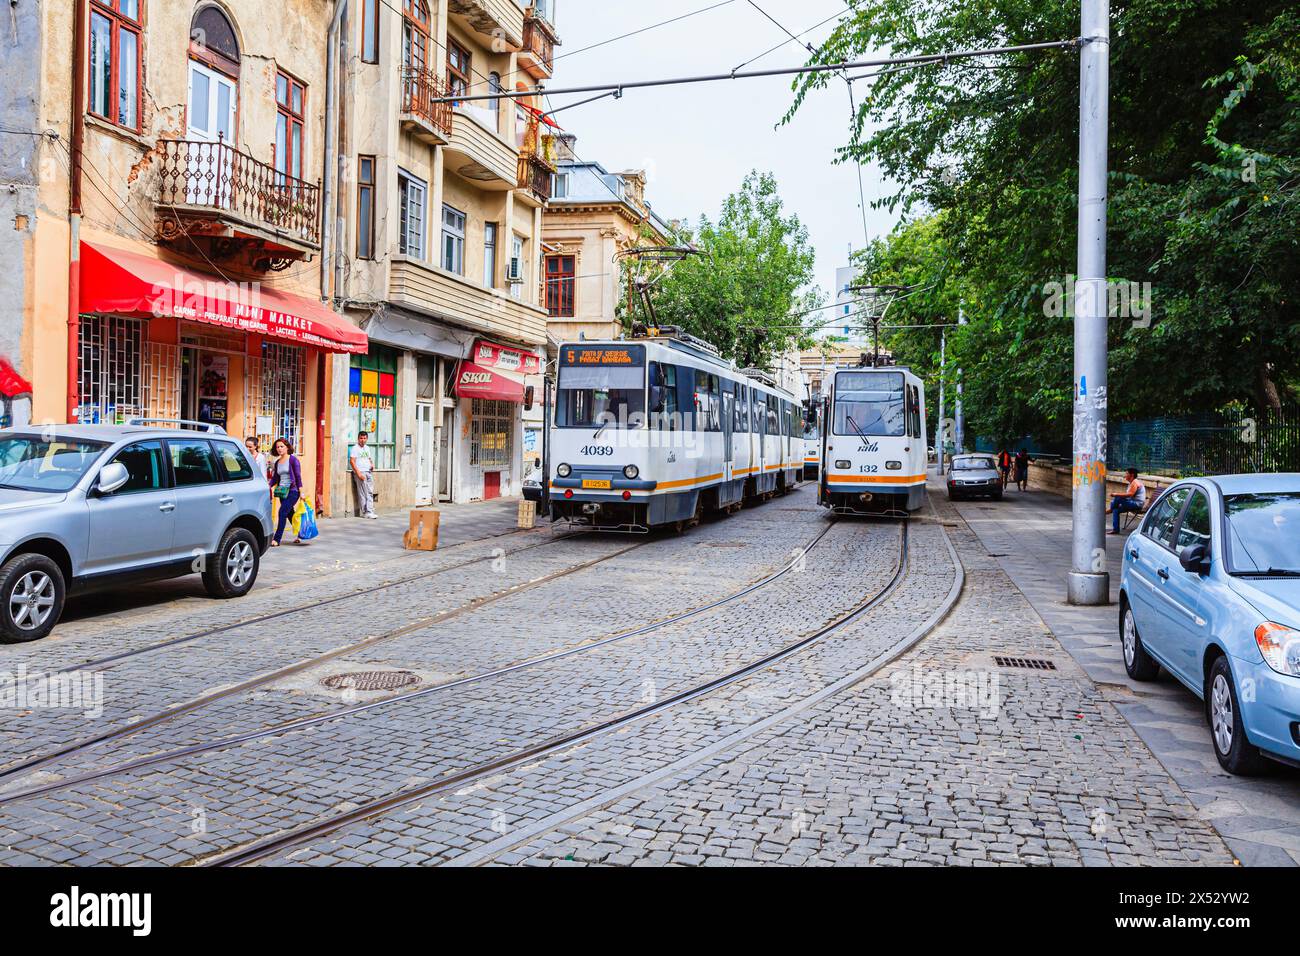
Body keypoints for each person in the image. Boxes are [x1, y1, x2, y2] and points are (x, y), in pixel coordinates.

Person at [269, 437, 305, 546]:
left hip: (293, 491)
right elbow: (275, 478)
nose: (279, 449)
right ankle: (301, 534)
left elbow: (298, 477)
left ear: (287, 447)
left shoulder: (293, 460)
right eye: (277, 447)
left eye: (281, 446)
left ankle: (277, 539)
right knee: (290, 514)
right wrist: (268, 486)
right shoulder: (277, 462)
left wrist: (301, 491)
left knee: (282, 512)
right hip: (282, 491)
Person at [1107, 467, 1147, 535]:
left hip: (1136, 505)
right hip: (1132, 503)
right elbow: (1129, 496)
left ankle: (1110, 509)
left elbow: (1130, 494)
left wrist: (1116, 494)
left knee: (1118, 497)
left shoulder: (1135, 482)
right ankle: (1115, 530)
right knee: (1116, 510)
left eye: (1126, 473)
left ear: (1132, 475)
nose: (1125, 475)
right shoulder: (1131, 483)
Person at [350, 431, 378, 519]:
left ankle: (370, 510)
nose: (363, 440)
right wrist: (358, 473)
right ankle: (366, 512)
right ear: (358, 439)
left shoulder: (367, 448)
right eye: (361, 438)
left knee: (369, 492)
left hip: (368, 472)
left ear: (367, 439)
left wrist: (372, 464)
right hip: (361, 472)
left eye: (364, 438)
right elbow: (352, 461)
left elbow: (369, 458)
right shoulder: (355, 448)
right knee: (362, 493)